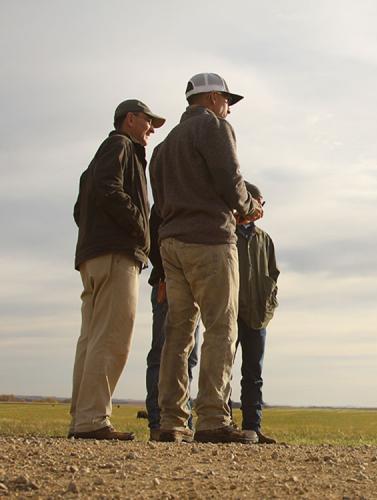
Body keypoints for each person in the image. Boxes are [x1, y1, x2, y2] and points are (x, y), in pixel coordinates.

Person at [150, 73, 263, 443]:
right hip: (210, 241)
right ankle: (214, 418)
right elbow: (231, 180)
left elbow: (160, 205)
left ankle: (171, 421)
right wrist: (249, 207)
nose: (229, 107)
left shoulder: (162, 148)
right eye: (227, 100)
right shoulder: (215, 128)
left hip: (172, 245)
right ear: (212, 97)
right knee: (220, 328)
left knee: (178, 334)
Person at [70, 99, 165, 440]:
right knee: (112, 338)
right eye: (148, 121)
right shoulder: (119, 145)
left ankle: (82, 418)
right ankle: (93, 420)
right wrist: (139, 228)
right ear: (130, 119)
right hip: (115, 255)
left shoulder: (105, 153)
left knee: (92, 337)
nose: (151, 128)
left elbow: (81, 208)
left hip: (94, 255)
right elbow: (107, 190)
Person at [229, 181, 279, 444]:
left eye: (263, 203)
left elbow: (273, 275)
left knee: (253, 374)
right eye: (258, 201)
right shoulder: (226, 233)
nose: (261, 208)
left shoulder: (264, 239)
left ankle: (253, 426)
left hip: (257, 316)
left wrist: (268, 307)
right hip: (229, 313)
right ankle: (224, 423)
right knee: (222, 368)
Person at [144, 208, 200, 441]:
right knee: (163, 351)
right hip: (167, 283)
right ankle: (160, 420)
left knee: (190, 355)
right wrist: (165, 274)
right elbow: (151, 237)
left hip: (190, 285)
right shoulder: (167, 200)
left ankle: (182, 418)